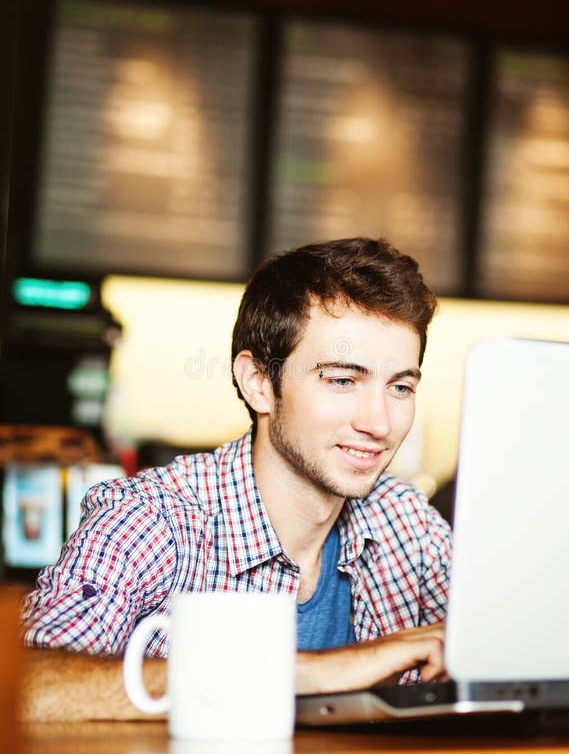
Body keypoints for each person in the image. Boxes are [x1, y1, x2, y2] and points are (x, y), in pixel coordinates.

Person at [20, 237, 451, 721]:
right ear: (259, 384)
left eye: (399, 387)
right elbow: (27, 683)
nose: (379, 423)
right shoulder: (153, 520)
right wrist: (318, 672)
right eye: (342, 380)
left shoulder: (405, 519)